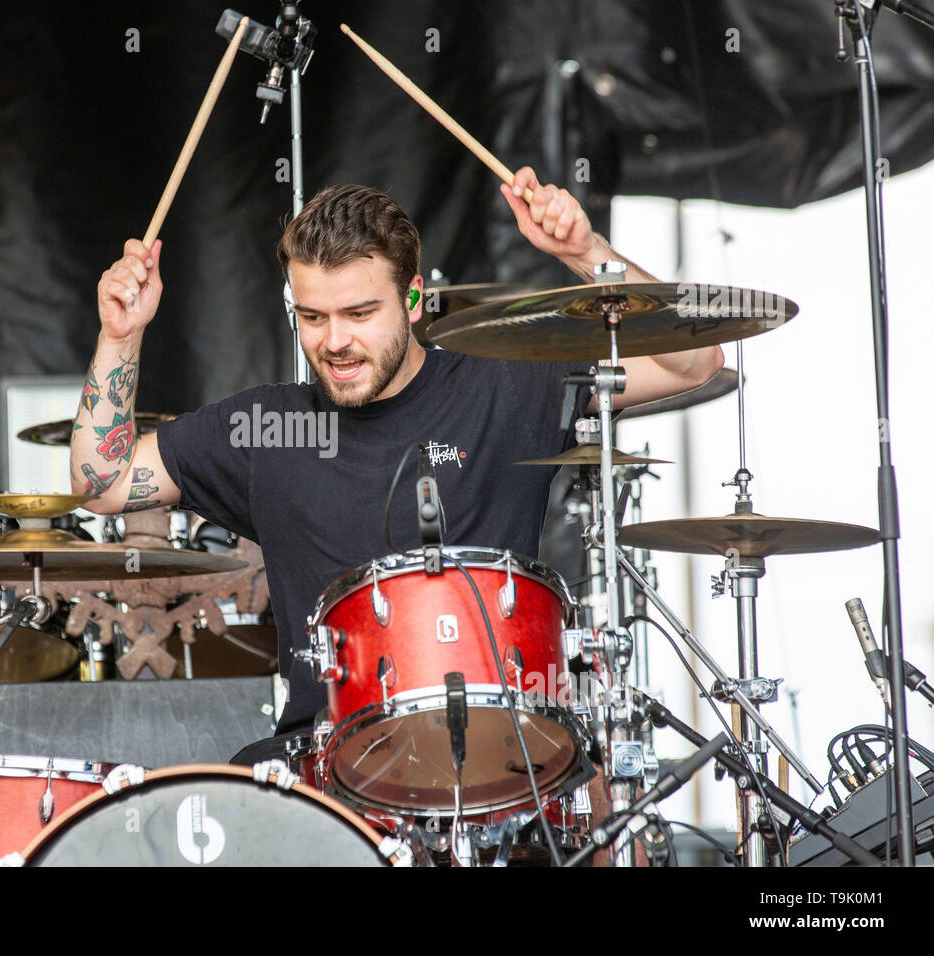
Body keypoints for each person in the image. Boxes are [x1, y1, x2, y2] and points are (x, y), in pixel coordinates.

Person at [69, 168, 724, 765]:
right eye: (312, 317)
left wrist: (585, 252)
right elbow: (103, 483)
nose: (335, 341)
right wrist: (120, 336)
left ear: (412, 300)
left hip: (502, 760)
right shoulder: (265, 427)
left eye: (360, 313)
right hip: (328, 771)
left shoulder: (507, 384)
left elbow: (694, 361)